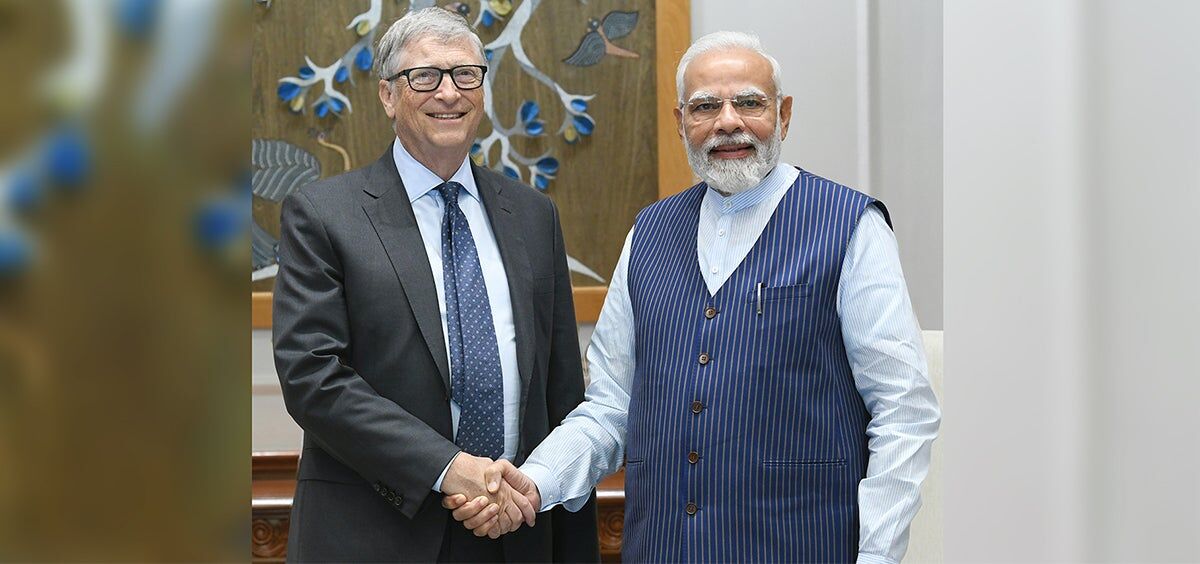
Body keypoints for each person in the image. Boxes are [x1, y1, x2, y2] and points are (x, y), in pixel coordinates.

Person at [446, 30, 940, 563]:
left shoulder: (851, 227)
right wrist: (533, 483)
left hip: (802, 545)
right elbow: (611, 406)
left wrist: (877, 557)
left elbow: (903, 411)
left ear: (785, 114)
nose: (728, 121)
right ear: (681, 121)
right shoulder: (649, 233)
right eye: (706, 106)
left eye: (749, 102)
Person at [272, 8, 598, 562]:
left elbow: (561, 387)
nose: (449, 92)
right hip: (378, 533)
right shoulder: (324, 214)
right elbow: (313, 376)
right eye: (424, 76)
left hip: (516, 529)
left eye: (466, 74)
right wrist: (449, 469)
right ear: (387, 95)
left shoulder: (533, 214)